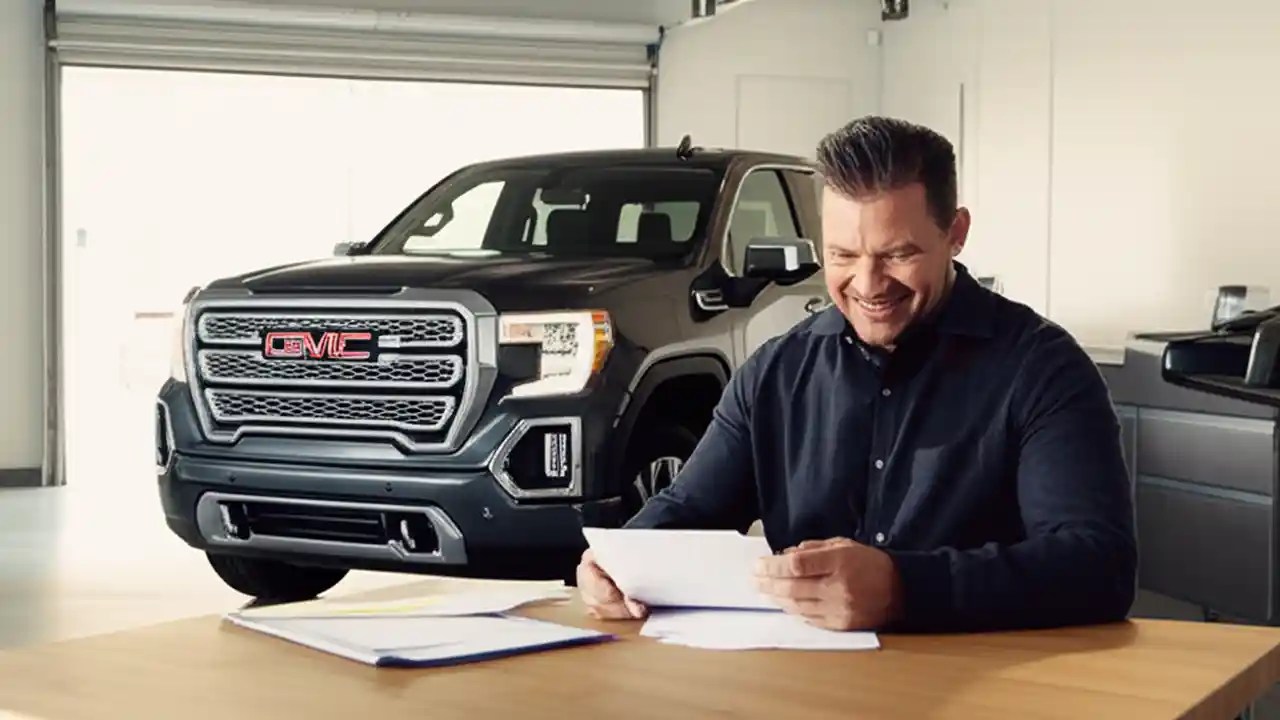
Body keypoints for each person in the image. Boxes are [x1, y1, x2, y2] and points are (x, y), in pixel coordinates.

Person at [577, 115, 1138, 633]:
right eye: (842, 255)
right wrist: (619, 560)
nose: (868, 285)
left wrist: (904, 587)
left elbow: (1097, 565)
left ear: (957, 233)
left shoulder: (1044, 370)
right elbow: (689, 510)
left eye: (897, 254)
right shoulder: (774, 373)